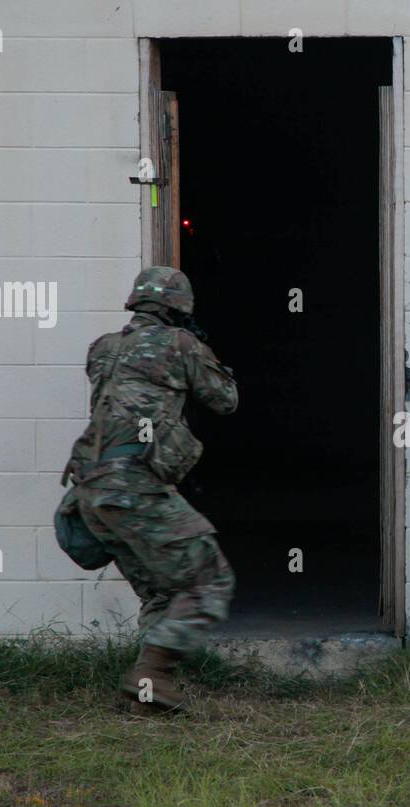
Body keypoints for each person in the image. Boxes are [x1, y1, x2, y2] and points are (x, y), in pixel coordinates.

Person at [62, 266, 239, 713]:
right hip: (133, 487)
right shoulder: (182, 345)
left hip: (89, 491)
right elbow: (225, 400)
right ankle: (153, 673)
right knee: (208, 581)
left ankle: (148, 694)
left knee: (162, 591)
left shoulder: (102, 348)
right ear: (180, 307)